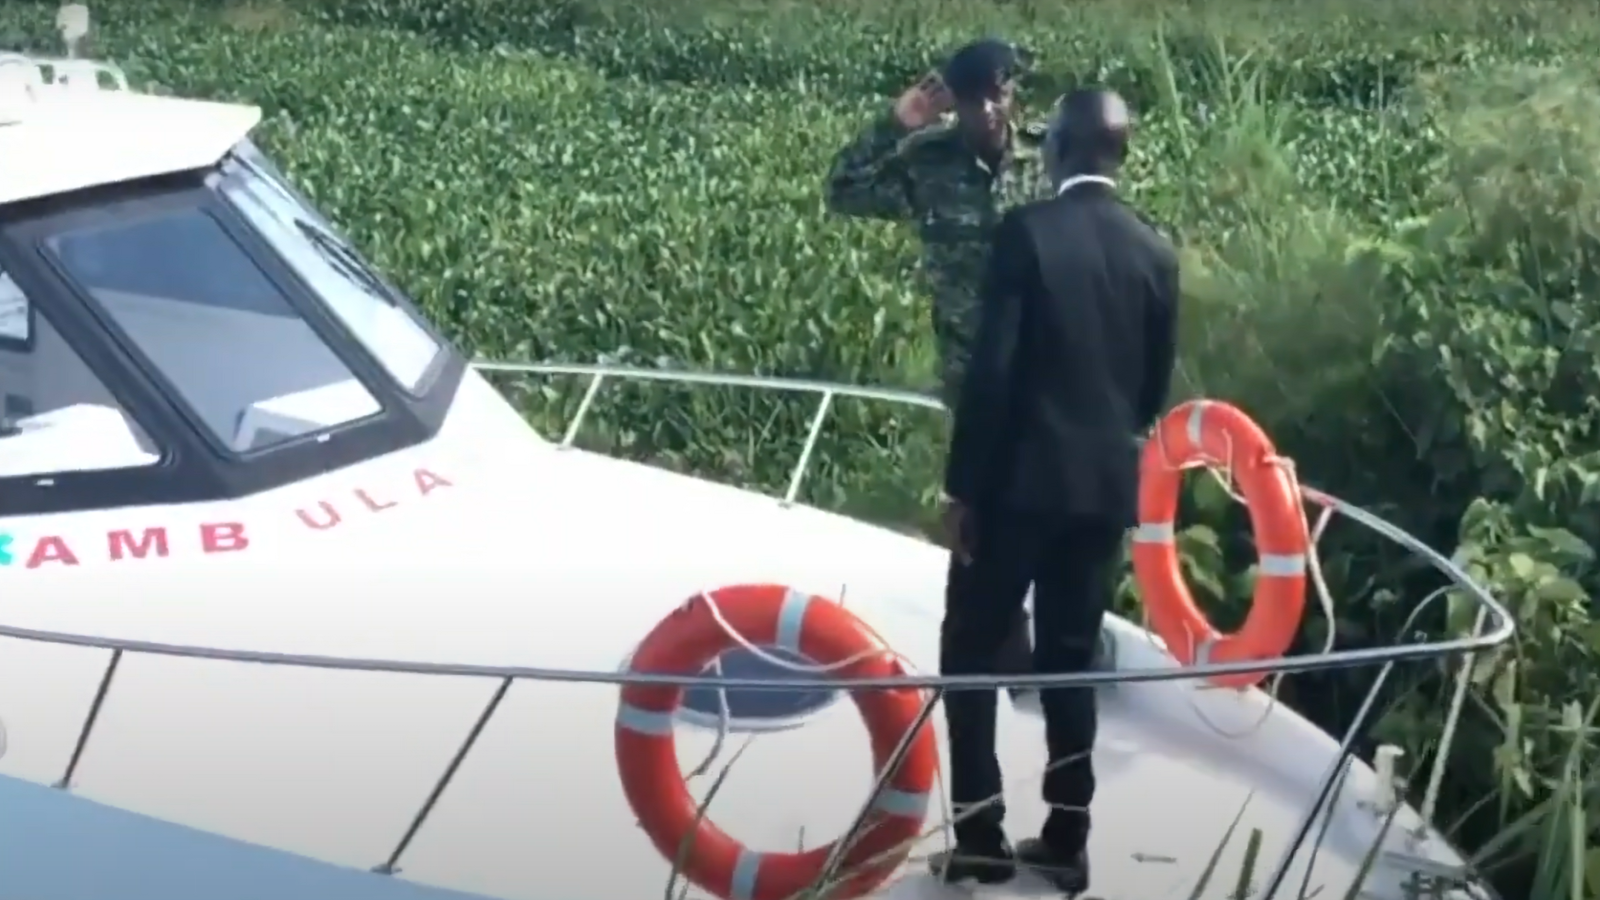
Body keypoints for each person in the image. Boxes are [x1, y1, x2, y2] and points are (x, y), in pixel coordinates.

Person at [928, 87, 1180, 896]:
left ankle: (981, 836)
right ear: (1120, 154)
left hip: (1015, 492)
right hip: (1102, 493)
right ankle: (1067, 839)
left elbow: (991, 375)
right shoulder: (1156, 252)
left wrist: (962, 489)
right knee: (1069, 663)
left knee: (969, 651)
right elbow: (1150, 393)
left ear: (1059, 150)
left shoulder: (1025, 237)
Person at [824, 38, 1049, 692]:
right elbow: (842, 191)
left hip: (1041, 366)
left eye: (998, 93)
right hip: (970, 372)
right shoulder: (928, 163)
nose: (987, 109)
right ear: (955, 100)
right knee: (979, 515)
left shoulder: (1045, 159)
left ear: (1015, 93)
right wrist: (897, 123)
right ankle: (996, 654)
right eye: (974, 97)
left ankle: (1046, 642)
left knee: (1043, 507)